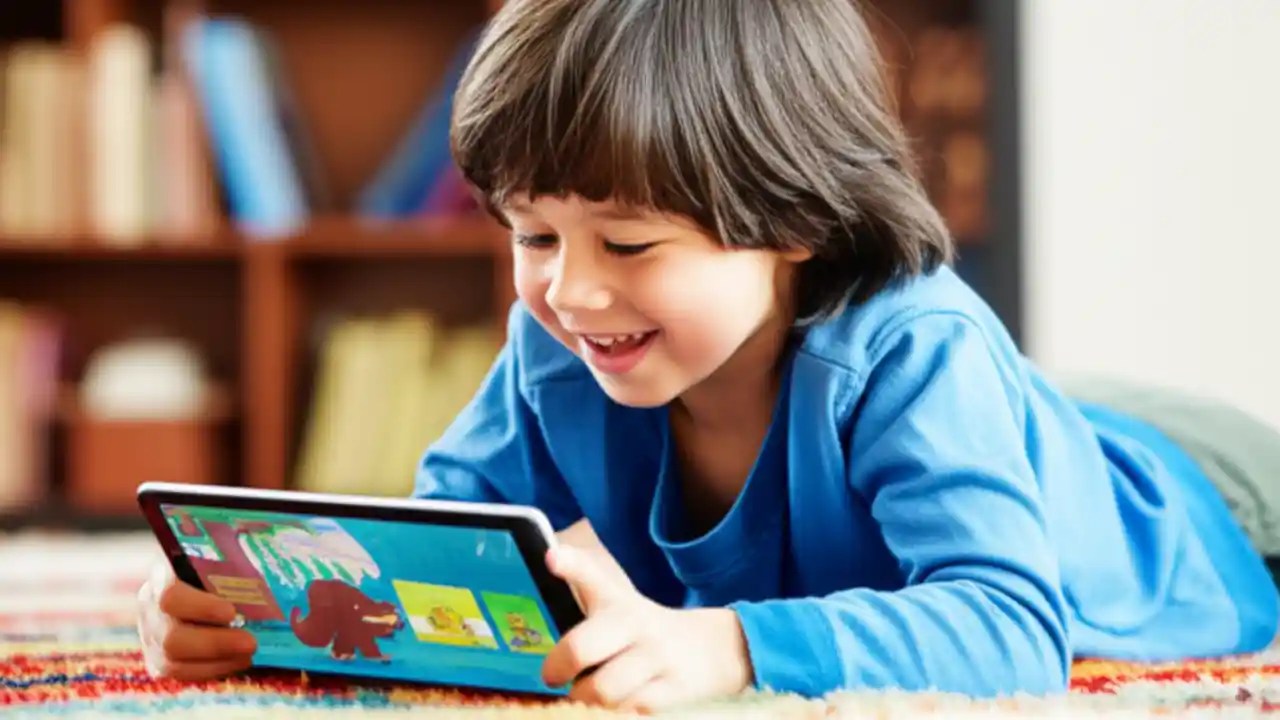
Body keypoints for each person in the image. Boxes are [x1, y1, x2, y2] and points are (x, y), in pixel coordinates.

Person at [135, 0, 1280, 712]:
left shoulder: (912, 349)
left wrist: (730, 645)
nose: (568, 291)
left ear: (796, 218)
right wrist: (259, 607)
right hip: (1026, 414)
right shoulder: (558, 345)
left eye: (628, 243)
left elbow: (1008, 629)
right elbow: (449, 546)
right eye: (533, 235)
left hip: (1202, 488)